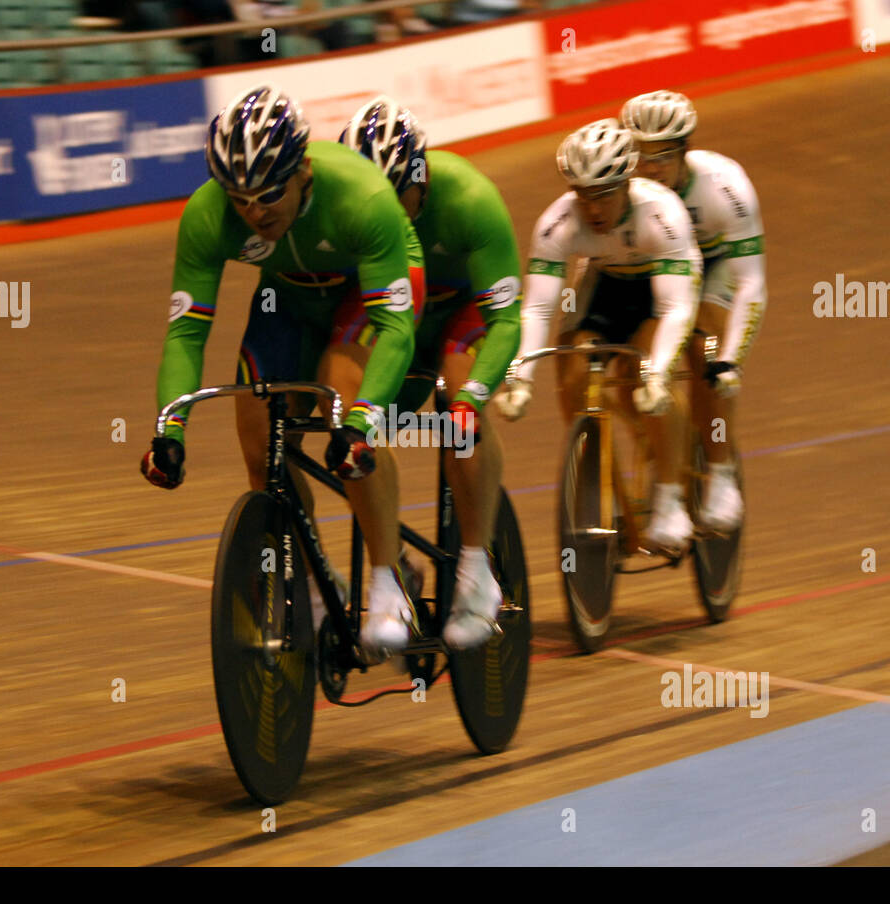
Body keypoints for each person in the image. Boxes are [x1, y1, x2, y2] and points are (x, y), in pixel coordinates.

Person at [140, 85, 425, 659]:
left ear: (304, 172)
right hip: (287, 301)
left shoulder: (362, 196)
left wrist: (363, 424)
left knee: (341, 394)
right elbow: (186, 332)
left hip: (361, 297)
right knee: (257, 437)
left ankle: (389, 577)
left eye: (269, 193)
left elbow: (394, 329)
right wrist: (169, 431)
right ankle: (317, 590)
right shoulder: (207, 215)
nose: (254, 211)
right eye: (239, 197)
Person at [340, 95, 522, 648]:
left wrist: (470, 399)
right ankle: (392, 560)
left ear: (421, 176)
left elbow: (506, 319)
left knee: (456, 400)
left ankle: (474, 569)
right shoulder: (351, 209)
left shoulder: (470, 200)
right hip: (398, 318)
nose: (388, 212)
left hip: (460, 315)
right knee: (350, 418)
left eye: (399, 195)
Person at [494, 119, 702, 552]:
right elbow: (537, 307)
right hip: (603, 286)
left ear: (628, 182)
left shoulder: (662, 214)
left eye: (604, 195)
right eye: (583, 195)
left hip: (656, 293)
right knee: (571, 383)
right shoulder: (557, 223)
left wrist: (659, 372)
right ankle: (618, 510)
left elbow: (674, 308)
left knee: (644, 366)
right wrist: (520, 376)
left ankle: (670, 497)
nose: (593, 210)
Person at [622, 90, 765, 532]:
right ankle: (659, 439)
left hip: (716, 269)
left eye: (662, 156)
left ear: (686, 150)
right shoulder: (619, 189)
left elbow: (750, 282)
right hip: (659, 272)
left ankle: (720, 473)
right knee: (633, 363)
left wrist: (731, 358)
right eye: (642, 156)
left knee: (704, 350)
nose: (651, 168)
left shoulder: (725, 186)